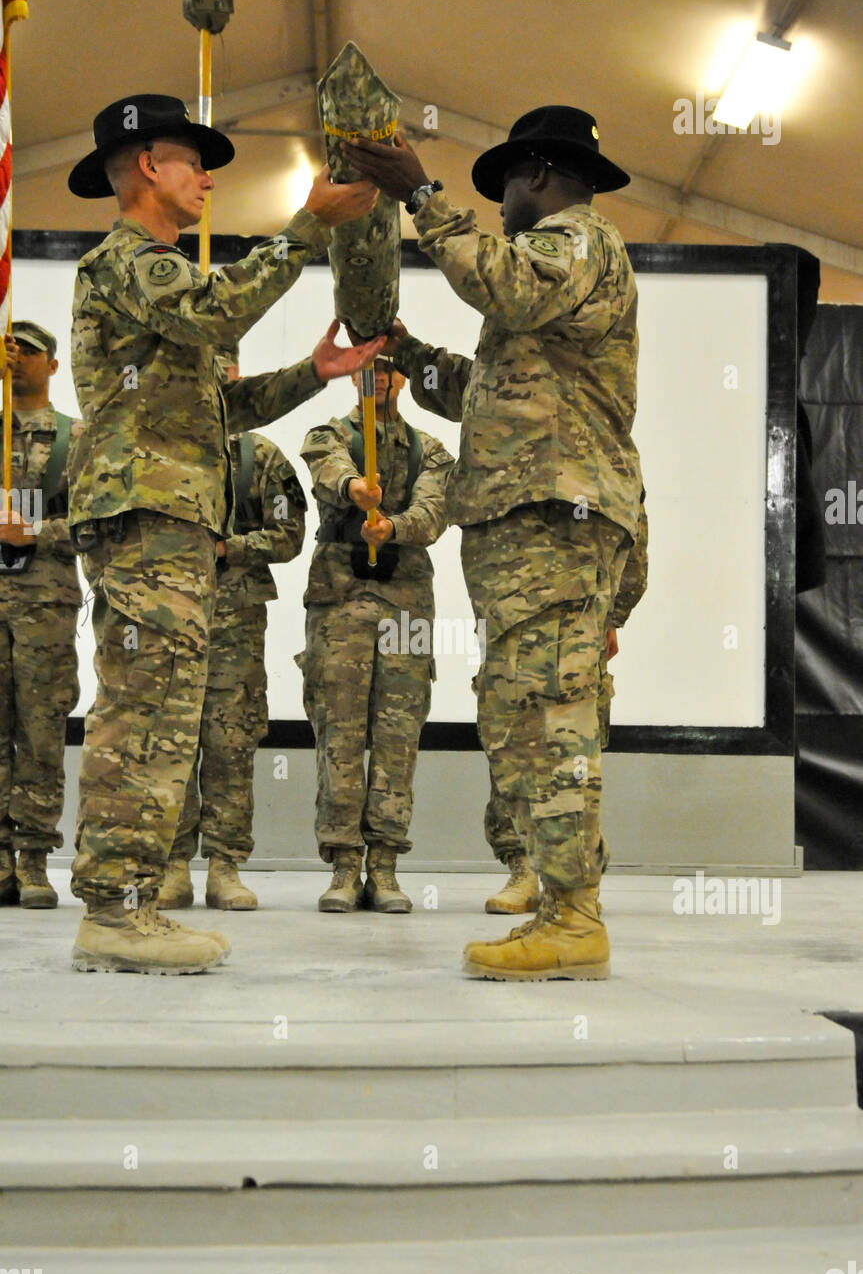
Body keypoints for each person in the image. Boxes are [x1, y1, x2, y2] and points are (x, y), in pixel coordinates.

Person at [66, 93, 382, 975]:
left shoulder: (161, 277)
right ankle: (116, 910)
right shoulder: (128, 262)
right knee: (147, 713)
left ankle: (126, 904)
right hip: (146, 514)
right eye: (189, 159)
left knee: (164, 708)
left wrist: (313, 374)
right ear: (143, 168)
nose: (206, 176)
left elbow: (221, 407)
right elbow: (217, 312)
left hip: (171, 514)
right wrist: (306, 227)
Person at [346, 106, 644, 979]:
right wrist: (411, 355)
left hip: (555, 522)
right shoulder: (554, 274)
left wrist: (422, 195)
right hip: (525, 525)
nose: (502, 201)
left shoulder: (576, 240)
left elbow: (502, 283)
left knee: (549, 717)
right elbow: (490, 394)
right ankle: (557, 906)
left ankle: (575, 919)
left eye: (506, 184)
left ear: (540, 176)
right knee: (522, 716)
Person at [298, 356, 454, 912]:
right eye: (369, 367)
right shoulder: (328, 435)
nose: (379, 376)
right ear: (355, 375)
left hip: (406, 605)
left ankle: (383, 866)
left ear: (403, 378)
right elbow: (327, 468)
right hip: (340, 601)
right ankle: (343, 864)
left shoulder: (430, 449)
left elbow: (435, 512)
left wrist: (393, 526)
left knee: (398, 734)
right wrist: (354, 489)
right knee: (338, 733)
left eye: (388, 367)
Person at [158, 353, 306, 912]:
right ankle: (173, 864)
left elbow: (290, 534)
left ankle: (225, 864)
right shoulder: (165, 454)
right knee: (172, 739)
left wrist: (231, 548)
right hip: (171, 618)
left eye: (226, 380)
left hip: (236, 622)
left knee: (230, 742)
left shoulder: (261, 458)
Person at [484, 502, 648, 914]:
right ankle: (523, 869)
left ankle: (575, 884)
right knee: (514, 745)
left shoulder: (603, 463)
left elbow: (634, 544)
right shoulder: (519, 463)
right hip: (516, 621)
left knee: (574, 757)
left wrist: (613, 616)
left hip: (581, 625)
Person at [0, 322, 82, 908]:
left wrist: (36, 532)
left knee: (41, 732)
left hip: (45, 606)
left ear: (53, 365)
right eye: (10, 348)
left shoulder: (77, 440)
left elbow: (100, 522)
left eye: (30, 350)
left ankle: (32, 857)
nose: (18, 357)